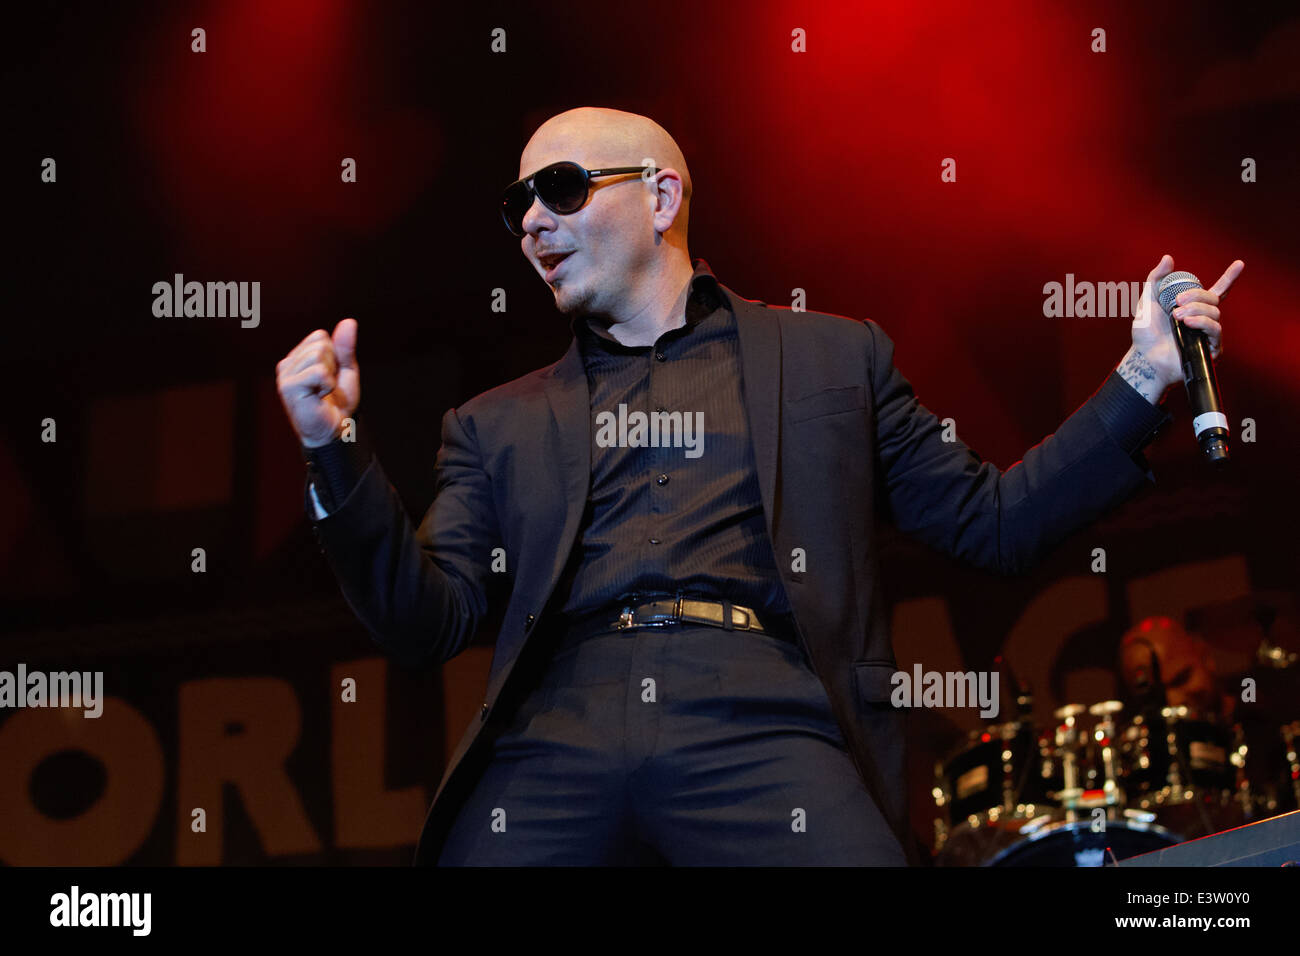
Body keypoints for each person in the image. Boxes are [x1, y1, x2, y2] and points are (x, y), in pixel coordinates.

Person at [274, 106, 1241, 865]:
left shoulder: (833, 361)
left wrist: (1141, 378)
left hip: (759, 712)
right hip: (556, 728)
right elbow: (427, 620)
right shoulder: (496, 422)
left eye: (560, 189)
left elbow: (995, 524)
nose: (531, 222)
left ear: (661, 196)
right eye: (517, 205)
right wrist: (332, 448)